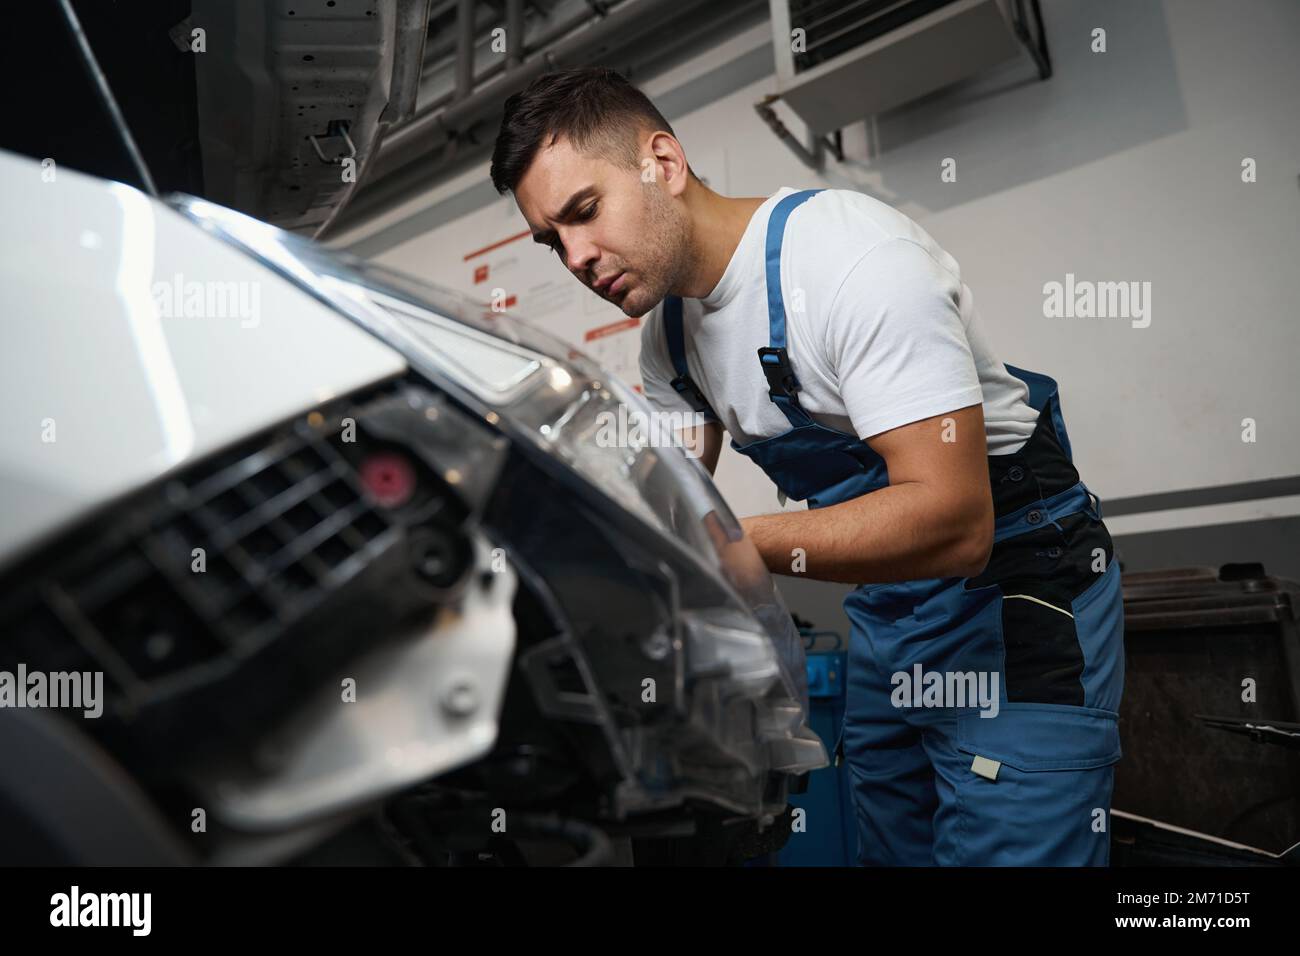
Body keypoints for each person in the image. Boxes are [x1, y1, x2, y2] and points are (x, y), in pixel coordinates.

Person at [489, 65, 1125, 866]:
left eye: (585, 212)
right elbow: (664, 513)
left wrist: (727, 546)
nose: (576, 257)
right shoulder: (669, 343)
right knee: (890, 849)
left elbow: (954, 522)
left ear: (664, 163)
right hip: (894, 618)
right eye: (553, 241)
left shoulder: (848, 261)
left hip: (1017, 599)